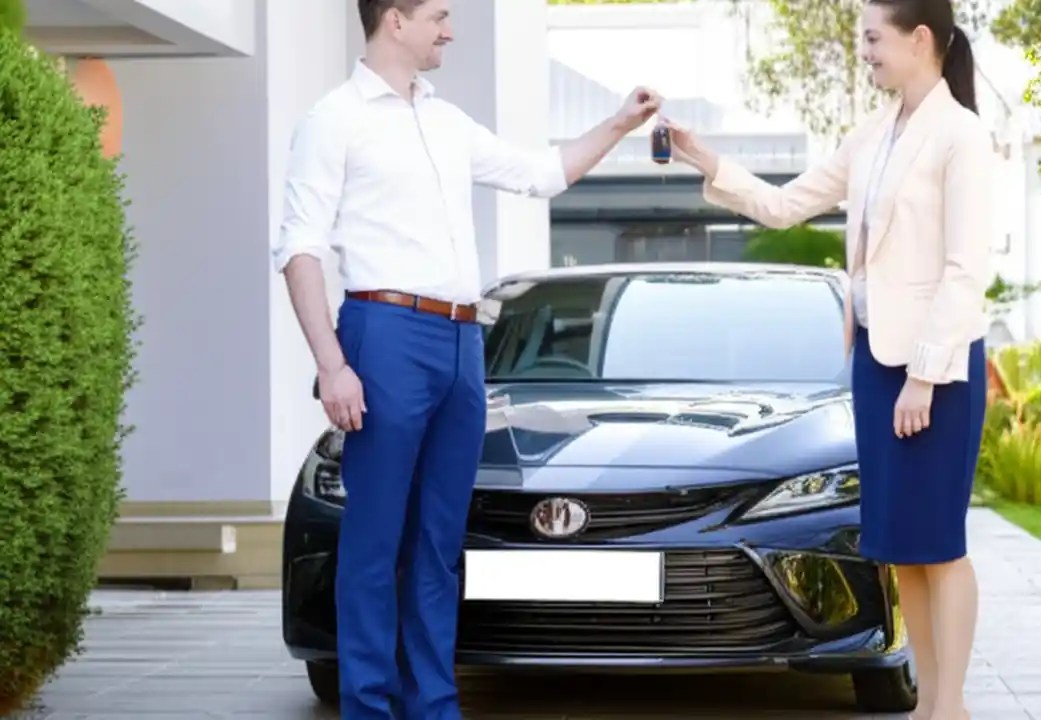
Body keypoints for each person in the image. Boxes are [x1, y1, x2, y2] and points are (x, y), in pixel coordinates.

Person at [270, 1, 661, 717]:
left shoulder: (448, 122)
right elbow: (300, 248)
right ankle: (370, 706)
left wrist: (618, 123)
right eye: (439, 16)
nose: (449, 30)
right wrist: (331, 364)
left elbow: (542, 174)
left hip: (460, 342)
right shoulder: (334, 119)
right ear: (395, 19)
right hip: (384, 332)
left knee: (439, 542)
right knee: (375, 539)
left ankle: (434, 705)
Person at [659, 0, 992, 718]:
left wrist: (924, 377)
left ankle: (950, 705)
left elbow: (965, 271)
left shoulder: (961, 135)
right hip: (875, 363)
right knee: (902, 546)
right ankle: (932, 706)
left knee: (940, 543)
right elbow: (785, 205)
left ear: (920, 39)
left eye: (873, 38)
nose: (865, 51)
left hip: (938, 370)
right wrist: (705, 159)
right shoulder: (871, 134)